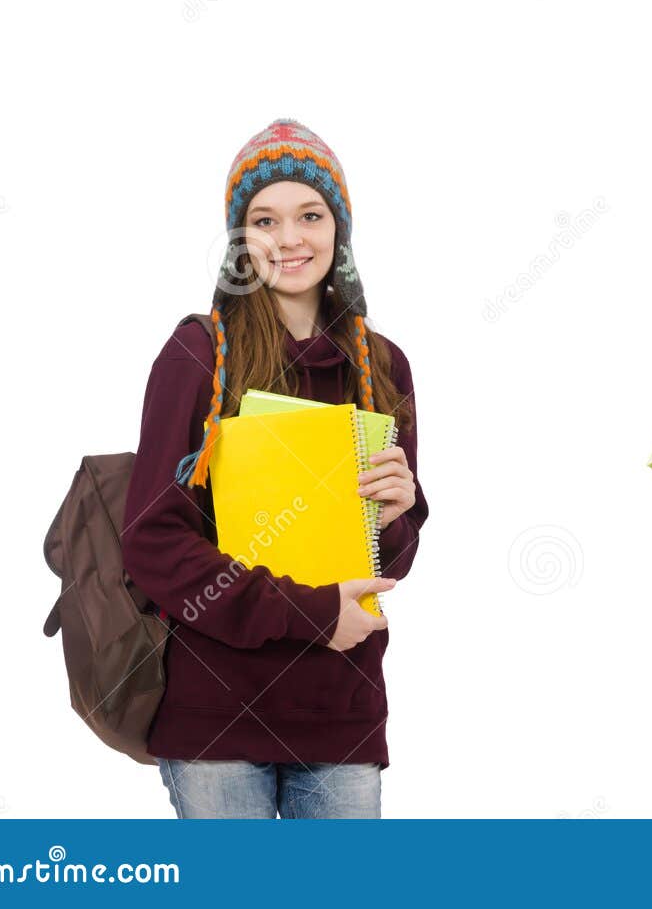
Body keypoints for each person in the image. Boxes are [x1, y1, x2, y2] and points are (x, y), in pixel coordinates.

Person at [120, 119, 429, 818]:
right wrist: (312, 615)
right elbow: (153, 543)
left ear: (339, 228)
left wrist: (396, 512)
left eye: (310, 215)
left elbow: (391, 562)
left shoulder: (384, 365)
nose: (289, 239)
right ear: (241, 238)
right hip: (217, 719)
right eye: (265, 220)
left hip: (341, 714)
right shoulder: (197, 354)